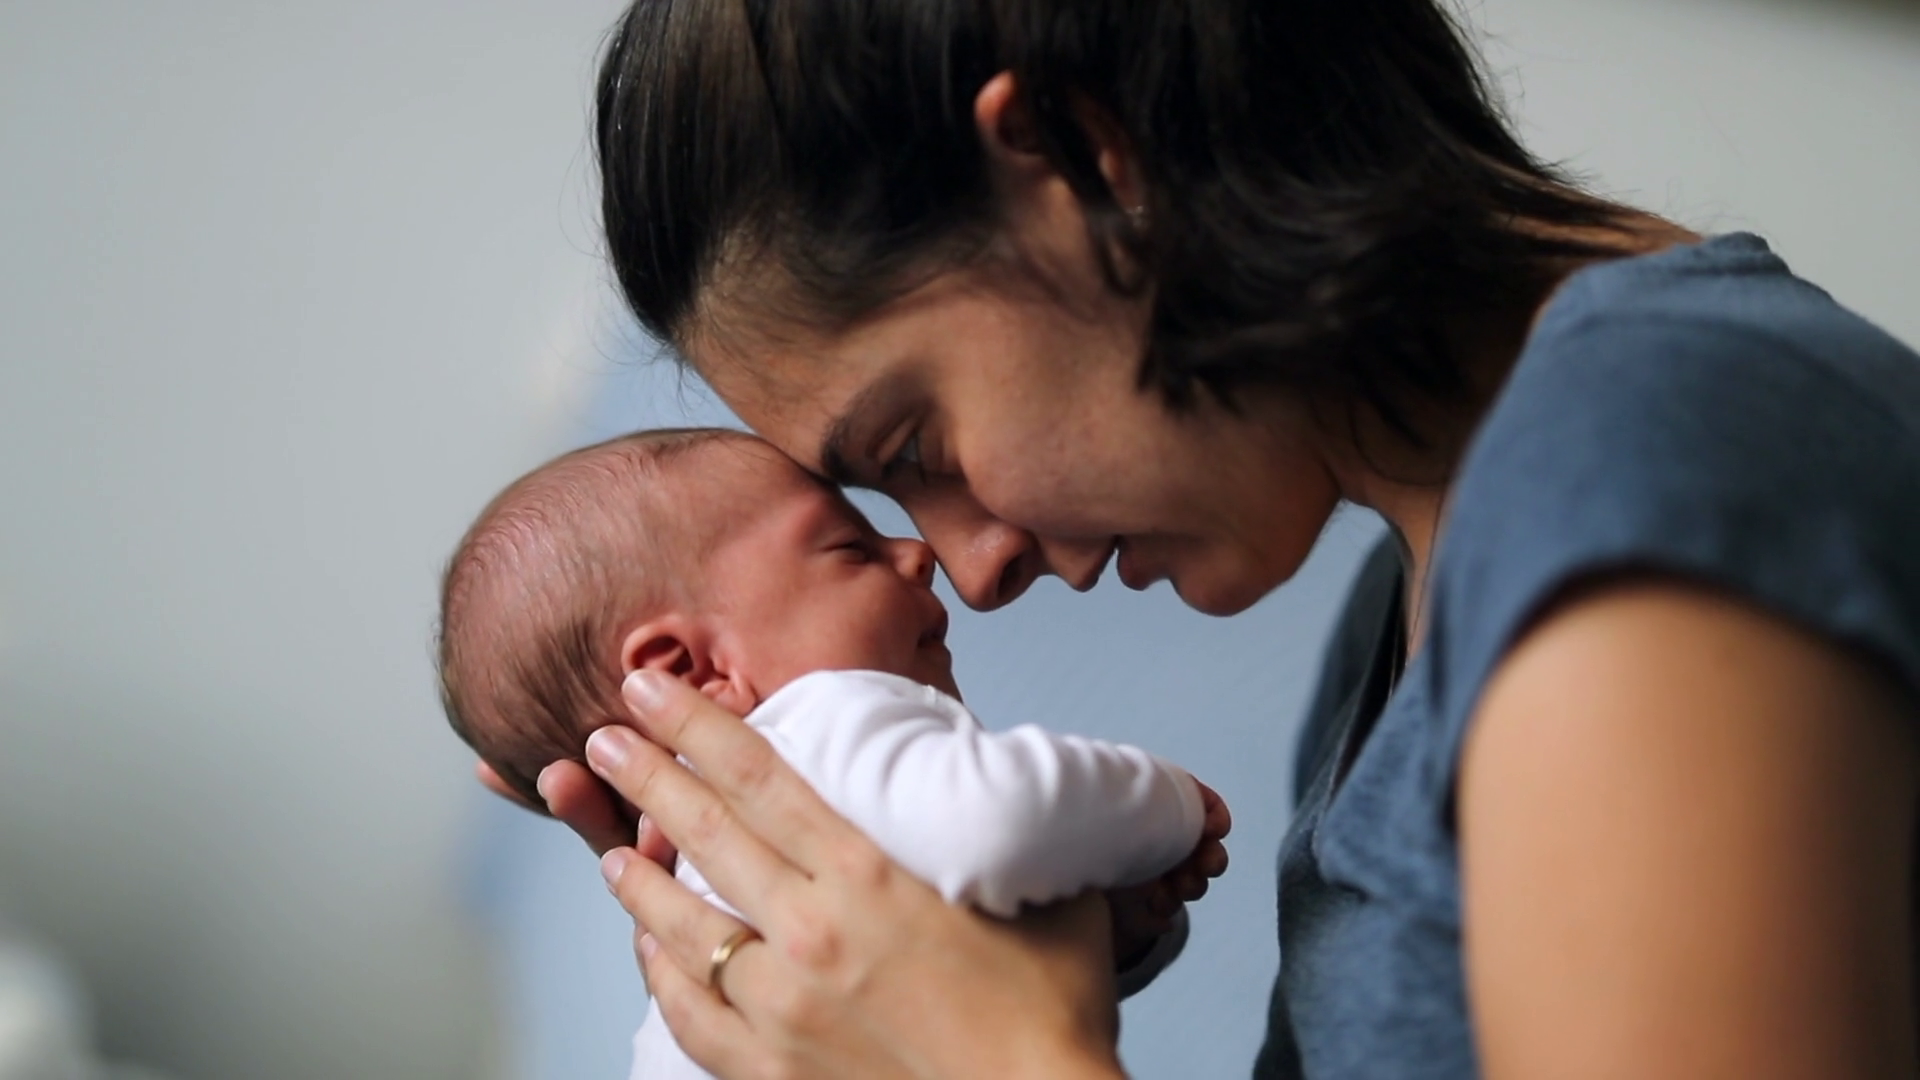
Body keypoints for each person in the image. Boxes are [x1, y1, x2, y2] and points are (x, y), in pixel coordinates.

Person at [481, 1, 1920, 1076]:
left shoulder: (1638, 489)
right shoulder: (1421, 591)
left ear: (1084, 161)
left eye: (917, 448)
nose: (971, 571)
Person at [438, 428, 1231, 1079]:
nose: (916, 552)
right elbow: (1003, 823)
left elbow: (975, 987)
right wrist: (1166, 806)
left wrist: (1114, 923)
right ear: (691, 674)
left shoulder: (684, 950)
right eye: (851, 547)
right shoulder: (819, 722)